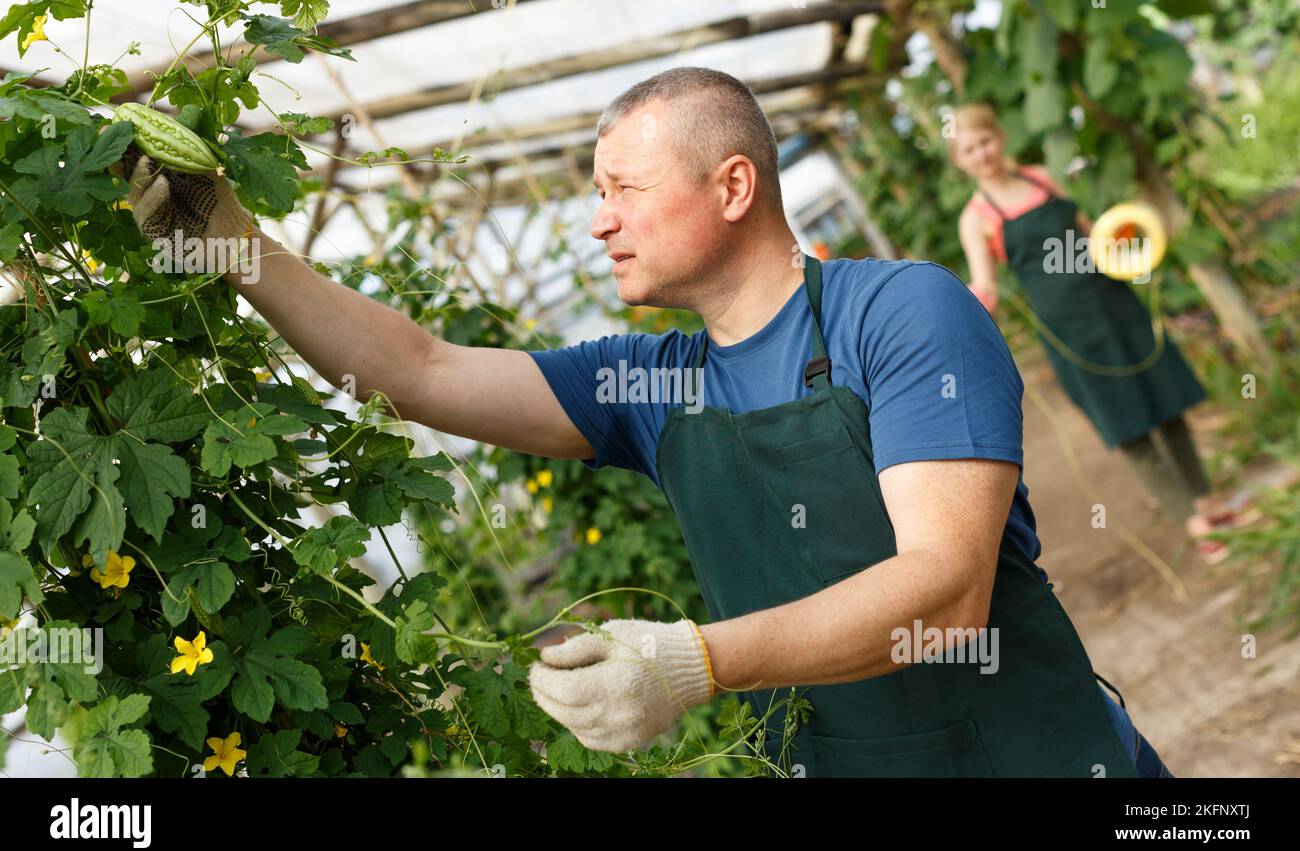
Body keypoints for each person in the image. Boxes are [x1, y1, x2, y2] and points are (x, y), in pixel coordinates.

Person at [121, 67, 1172, 777]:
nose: (597, 219)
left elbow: (943, 594)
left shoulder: (896, 312)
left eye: (620, 187)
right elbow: (417, 368)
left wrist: (693, 662)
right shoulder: (652, 385)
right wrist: (236, 248)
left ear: (731, 186)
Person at [950, 103, 1237, 565]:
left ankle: (1209, 502)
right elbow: (985, 282)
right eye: (969, 149)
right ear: (959, 160)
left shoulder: (1043, 177)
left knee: (1166, 402)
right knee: (1128, 425)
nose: (981, 153)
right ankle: (1192, 521)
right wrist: (966, 302)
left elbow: (1092, 233)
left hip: (1114, 302)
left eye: (985, 141)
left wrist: (1133, 244)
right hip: (1070, 330)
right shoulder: (976, 216)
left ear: (999, 138)